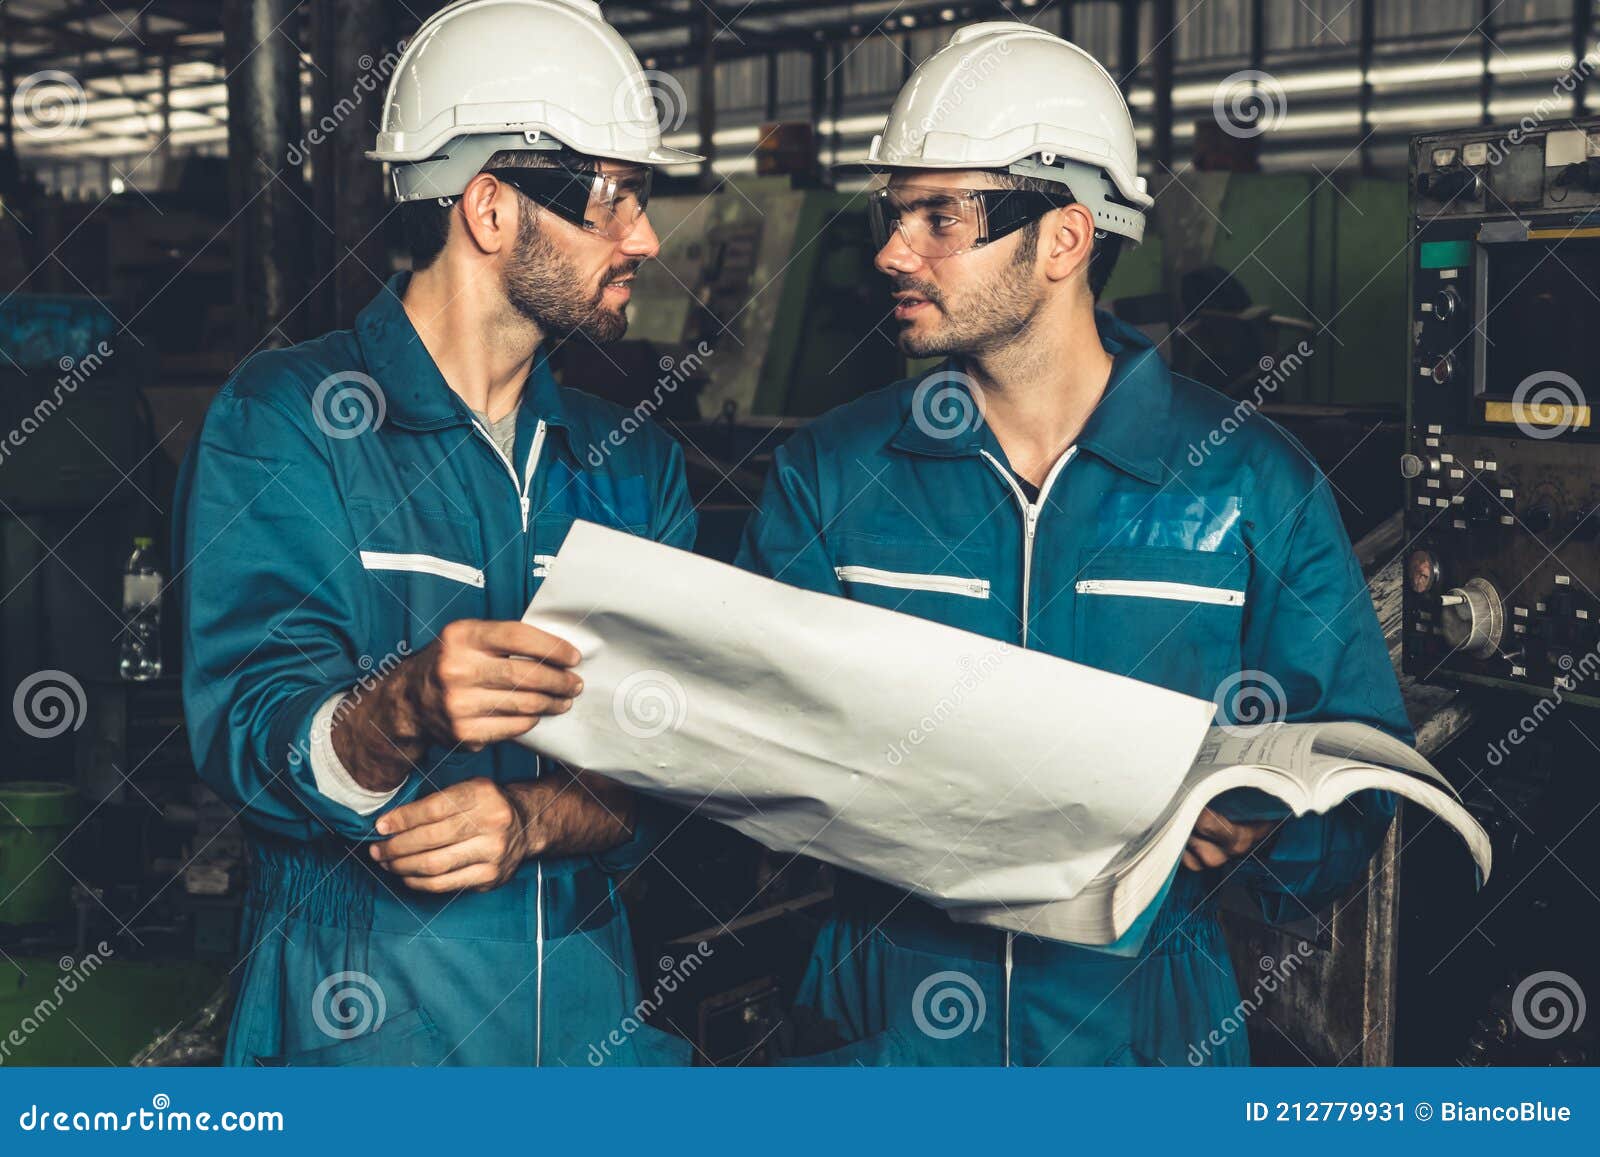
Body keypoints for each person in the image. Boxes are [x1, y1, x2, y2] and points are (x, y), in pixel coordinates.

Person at [736, 22, 1409, 1066]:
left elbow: (1357, 784)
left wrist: (1265, 829)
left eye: (938, 216)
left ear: (1063, 237)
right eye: (892, 211)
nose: (889, 251)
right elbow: (740, 756)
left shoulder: (1246, 485)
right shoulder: (833, 475)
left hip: (1145, 1044)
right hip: (885, 1038)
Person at [175, 0, 701, 1066]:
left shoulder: (633, 460)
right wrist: (397, 706)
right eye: (616, 199)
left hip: (593, 1033)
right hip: (363, 1037)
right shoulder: (291, 418)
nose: (644, 237)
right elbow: (246, 726)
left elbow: (672, 760)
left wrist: (536, 820)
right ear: (492, 208)